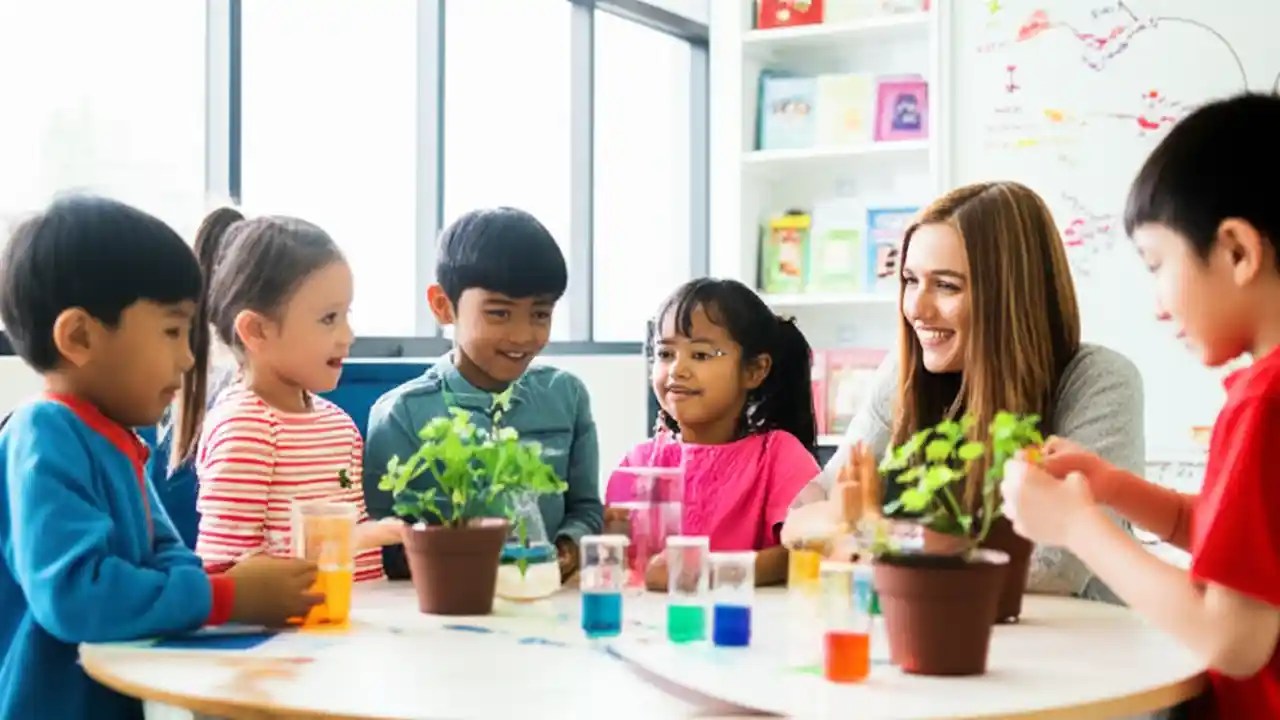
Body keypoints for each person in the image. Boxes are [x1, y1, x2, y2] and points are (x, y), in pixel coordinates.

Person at [1001, 93, 1280, 718]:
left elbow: (1232, 639)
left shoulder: (1265, 403)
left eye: (1158, 264)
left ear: (1237, 251)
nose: (1158, 304)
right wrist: (1111, 487)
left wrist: (1077, 527)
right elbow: (1234, 541)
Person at [0, 196, 320, 719]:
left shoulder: (115, 438)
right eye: (172, 331)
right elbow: (77, 596)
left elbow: (168, 555)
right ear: (80, 336)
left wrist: (233, 584)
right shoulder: (43, 435)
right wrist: (227, 597)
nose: (189, 357)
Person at [782, 181, 1144, 600]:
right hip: (937, 630)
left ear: (1012, 294)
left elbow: (1055, 568)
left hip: (1084, 649)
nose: (916, 308)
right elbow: (803, 516)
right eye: (910, 280)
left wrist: (868, 530)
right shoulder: (904, 372)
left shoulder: (1099, 380)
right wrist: (865, 529)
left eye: (947, 286)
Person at [365, 207, 602, 581]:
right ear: (443, 306)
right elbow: (384, 547)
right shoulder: (401, 414)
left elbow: (587, 511)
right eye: (499, 314)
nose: (524, 335)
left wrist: (563, 554)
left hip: (546, 600)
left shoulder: (566, 396)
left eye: (540, 315)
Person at [177, 209, 400, 581]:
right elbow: (227, 574)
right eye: (329, 319)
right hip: (286, 636)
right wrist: (353, 539)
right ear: (256, 331)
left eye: (347, 315)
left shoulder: (338, 426)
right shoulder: (244, 428)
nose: (348, 336)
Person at [606, 278, 820, 589]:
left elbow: (807, 550)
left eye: (701, 355)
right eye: (665, 354)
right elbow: (615, 559)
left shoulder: (778, 457)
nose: (677, 370)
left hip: (747, 627)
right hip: (648, 630)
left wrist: (705, 571)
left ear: (754, 370)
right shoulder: (638, 462)